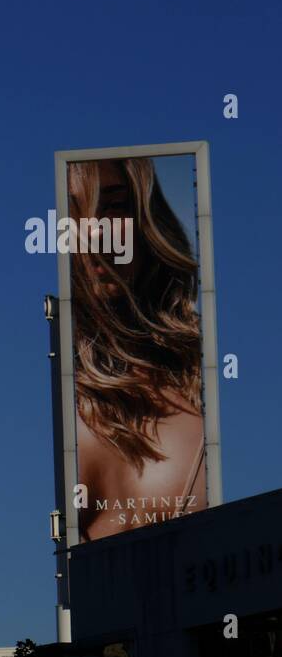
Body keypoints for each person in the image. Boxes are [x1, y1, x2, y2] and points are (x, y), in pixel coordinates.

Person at [68, 158, 207, 541]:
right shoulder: (23, 392)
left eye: (113, 206)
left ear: (146, 220)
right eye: (70, 213)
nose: (95, 233)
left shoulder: (203, 370)